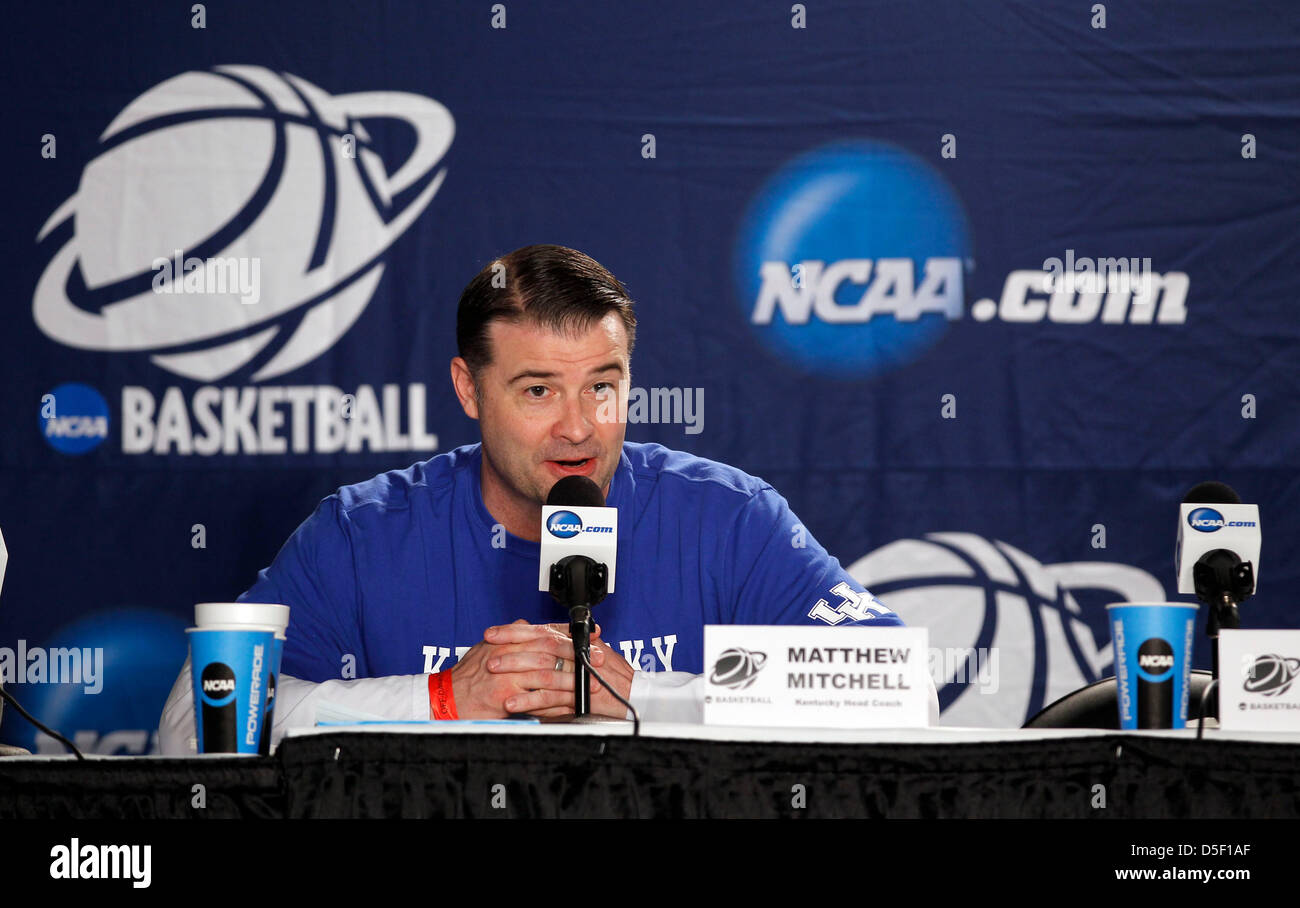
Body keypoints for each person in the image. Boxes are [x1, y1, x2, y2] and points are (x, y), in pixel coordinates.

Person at [159, 245, 926, 754]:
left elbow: (899, 687)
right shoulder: (362, 534)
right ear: (469, 389)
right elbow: (190, 728)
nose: (578, 427)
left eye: (603, 386)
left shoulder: (727, 518)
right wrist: (442, 699)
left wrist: (654, 698)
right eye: (537, 390)